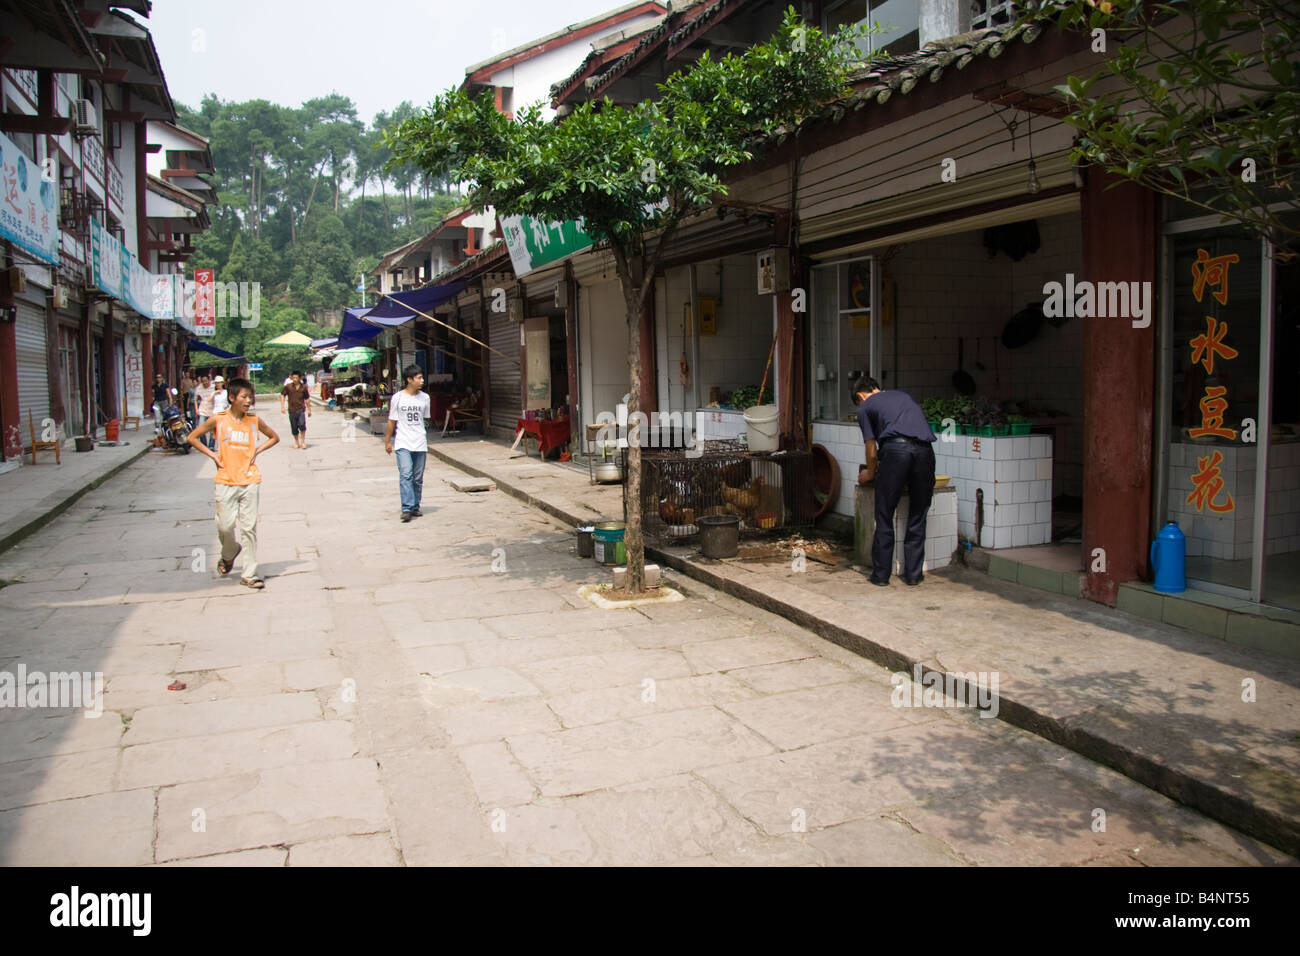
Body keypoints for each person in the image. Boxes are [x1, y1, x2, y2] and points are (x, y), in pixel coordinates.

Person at [187, 377, 280, 589]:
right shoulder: (218, 420)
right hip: (225, 480)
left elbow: (274, 437)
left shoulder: (254, 421)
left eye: (250, 397)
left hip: (250, 479)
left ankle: (249, 574)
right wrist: (212, 455)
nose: (248, 401)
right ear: (232, 398)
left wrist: (257, 450)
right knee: (225, 525)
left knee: (249, 528)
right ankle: (229, 552)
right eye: (244, 397)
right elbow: (192, 437)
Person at [852, 374, 937, 587]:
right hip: (925, 452)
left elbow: (871, 447)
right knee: (918, 513)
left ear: (860, 396)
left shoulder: (864, 407)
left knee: (884, 513)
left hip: (896, 451)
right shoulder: (903, 396)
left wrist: (870, 473)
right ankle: (913, 575)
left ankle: (881, 576)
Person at [385, 364, 431, 523]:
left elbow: (425, 419)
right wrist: (387, 441)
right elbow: (391, 421)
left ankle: (415, 506)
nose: (422, 380)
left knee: (417, 477)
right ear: (409, 380)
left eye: (422, 377)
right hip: (403, 442)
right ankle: (406, 508)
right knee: (406, 474)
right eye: (419, 378)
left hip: (420, 442)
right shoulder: (398, 397)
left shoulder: (425, 398)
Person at [280, 370, 312, 450]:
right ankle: (296, 442)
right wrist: (282, 406)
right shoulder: (288, 387)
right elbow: (282, 395)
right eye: (293, 377)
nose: (295, 379)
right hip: (292, 410)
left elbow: (307, 398)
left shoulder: (304, 387)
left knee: (302, 425)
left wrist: (309, 410)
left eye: (296, 378)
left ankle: (303, 442)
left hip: (301, 409)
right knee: (294, 427)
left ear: (300, 378)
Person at [193, 372, 216, 449]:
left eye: (206, 381)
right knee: (201, 427)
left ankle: (211, 445)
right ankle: (204, 444)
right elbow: (195, 399)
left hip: (212, 409)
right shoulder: (199, 388)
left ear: (209, 380)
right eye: (203, 381)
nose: (205, 383)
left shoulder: (213, 387)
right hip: (202, 409)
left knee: (213, 428)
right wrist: (196, 409)